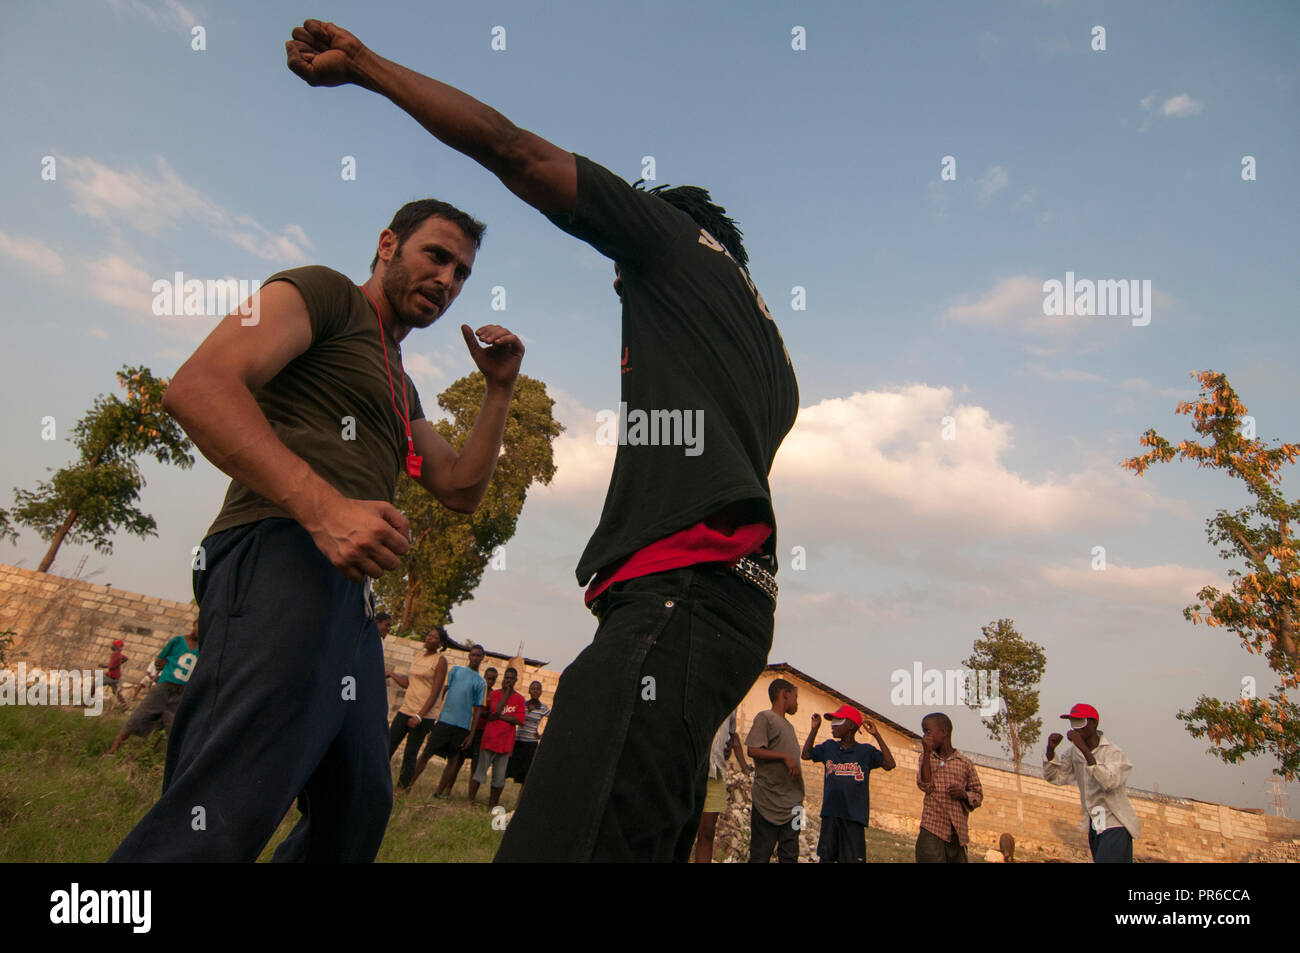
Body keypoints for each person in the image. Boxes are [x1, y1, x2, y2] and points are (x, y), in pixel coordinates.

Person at [286, 20, 799, 863]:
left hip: (674, 601)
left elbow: (507, 146)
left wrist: (368, 68)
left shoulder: (668, 241)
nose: (614, 278)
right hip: (732, 617)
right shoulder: (776, 362)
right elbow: (454, 481)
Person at [109, 180, 523, 862]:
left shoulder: (399, 377)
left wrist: (499, 390)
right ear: (388, 244)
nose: (447, 279)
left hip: (350, 603)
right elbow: (198, 385)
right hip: (279, 553)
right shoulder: (324, 294)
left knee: (357, 806)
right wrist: (324, 507)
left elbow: (458, 487)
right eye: (436, 255)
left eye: (462, 273)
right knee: (224, 803)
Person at [1043, 703, 1140, 863]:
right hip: (1096, 823)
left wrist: (1084, 749)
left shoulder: (1113, 753)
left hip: (1115, 822)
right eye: (1073, 723)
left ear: (1094, 723)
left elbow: (1109, 782)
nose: (1076, 728)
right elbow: (1055, 777)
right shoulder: (1074, 753)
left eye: (1080, 723)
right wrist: (1050, 751)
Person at [802, 704, 895, 863]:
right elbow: (805, 754)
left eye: (838, 721)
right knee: (826, 858)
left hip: (854, 818)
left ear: (851, 725)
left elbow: (889, 764)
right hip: (830, 815)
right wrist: (814, 729)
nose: (832, 725)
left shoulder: (865, 752)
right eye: (832, 721)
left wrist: (877, 735)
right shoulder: (829, 747)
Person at [108, 623, 199, 755]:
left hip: (180, 695)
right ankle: (112, 751)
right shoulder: (177, 641)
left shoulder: (204, 649)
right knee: (138, 717)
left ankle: (153, 755)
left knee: (173, 730)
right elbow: (160, 660)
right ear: (194, 625)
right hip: (164, 688)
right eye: (199, 625)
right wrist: (162, 670)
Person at [411, 645, 487, 796]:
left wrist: (471, 735)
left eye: (478, 655)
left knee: (453, 759)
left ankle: (438, 793)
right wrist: (434, 715)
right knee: (427, 753)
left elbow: (478, 711)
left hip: (462, 726)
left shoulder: (481, 682)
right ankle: (409, 785)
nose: (475, 658)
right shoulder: (456, 670)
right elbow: (442, 692)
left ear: (483, 658)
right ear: (469, 656)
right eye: (473, 655)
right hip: (444, 721)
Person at [745, 679, 804, 863]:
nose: (797, 702)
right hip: (768, 802)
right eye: (795, 696)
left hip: (793, 805)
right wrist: (784, 757)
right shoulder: (766, 718)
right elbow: (752, 749)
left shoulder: (789, 726)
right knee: (760, 855)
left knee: (790, 856)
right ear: (784, 694)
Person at [386, 625, 449, 793]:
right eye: (428, 635)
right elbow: (409, 683)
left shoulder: (440, 661)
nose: (429, 638)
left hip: (424, 715)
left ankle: (401, 789)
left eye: (434, 637)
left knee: (410, 753)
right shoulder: (418, 655)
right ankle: (378, 781)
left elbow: (436, 692)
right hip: (406, 709)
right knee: (388, 745)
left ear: (440, 643)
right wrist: (392, 674)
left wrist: (419, 716)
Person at [915, 712, 983, 863]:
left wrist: (964, 795)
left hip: (957, 834)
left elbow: (978, 796)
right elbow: (925, 785)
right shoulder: (926, 758)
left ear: (944, 732)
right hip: (932, 829)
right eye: (924, 732)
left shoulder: (964, 763)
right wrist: (926, 753)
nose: (925, 736)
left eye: (928, 731)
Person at [694, 709, 750, 863]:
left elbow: (732, 734)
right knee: (678, 828)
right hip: (690, 766)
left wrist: (728, 745)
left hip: (715, 769)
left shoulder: (730, 699)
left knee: (707, 831)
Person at [469, 667, 526, 808]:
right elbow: (495, 709)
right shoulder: (495, 694)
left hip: (505, 744)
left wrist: (498, 717)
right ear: (503, 678)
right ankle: (470, 801)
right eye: (506, 678)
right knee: (479, 773)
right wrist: (506, 694)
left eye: (511, 678)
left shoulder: (520, 699)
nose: (508, 680)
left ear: (516, 680)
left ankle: (492, 806)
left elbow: (518, 720)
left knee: (499, 779)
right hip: (489, 740)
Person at [506, 681, 549, 792]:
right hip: (517, 741)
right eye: (533, 688)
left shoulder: (543, 708)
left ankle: (518, 803)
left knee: (525, 775)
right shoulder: (522, 705)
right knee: (508, 771)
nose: (535, 691)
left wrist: (541, 735)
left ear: (541, 692)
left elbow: (554, 720)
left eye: (538, 689)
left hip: (530, 744)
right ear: (529, 690)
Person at [104, 639, 128, 709]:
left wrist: (104, 666)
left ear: (117, 646)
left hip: (111, 675)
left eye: (114, 645)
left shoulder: (115, 654)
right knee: (115, 691)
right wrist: (118, 664)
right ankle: (124, 704)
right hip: (116, 676)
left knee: (95, 684)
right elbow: (126, 658)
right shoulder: (119, 654)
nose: (112, 646)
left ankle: (86, 702)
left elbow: (111, 667)